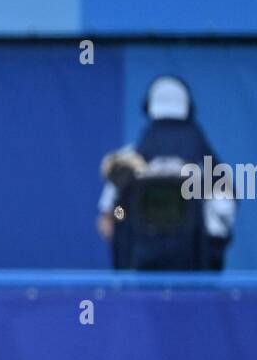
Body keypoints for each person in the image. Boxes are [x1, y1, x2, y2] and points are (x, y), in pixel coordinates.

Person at [96, 76, 234, 271]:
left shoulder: (126, 163)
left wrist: (121, 221)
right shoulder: (211, 171)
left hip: (142, 275)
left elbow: (107, 219)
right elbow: (223, 220)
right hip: (195, 279)